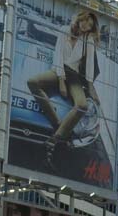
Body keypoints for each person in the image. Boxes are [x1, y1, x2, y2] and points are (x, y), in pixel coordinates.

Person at [26, 9, 102, 163]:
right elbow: (58, 55)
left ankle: (54, 139)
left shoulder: (89, 40)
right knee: (32, 82)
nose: (87, 25)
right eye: (86, 21)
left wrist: (91, 88)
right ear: (80, 19)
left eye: (90, 25)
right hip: (59, 70)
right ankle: (58, 124)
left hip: (74, 75)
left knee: (82, 105)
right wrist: (61, 80)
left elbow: (88, 67)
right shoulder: (64, 31)